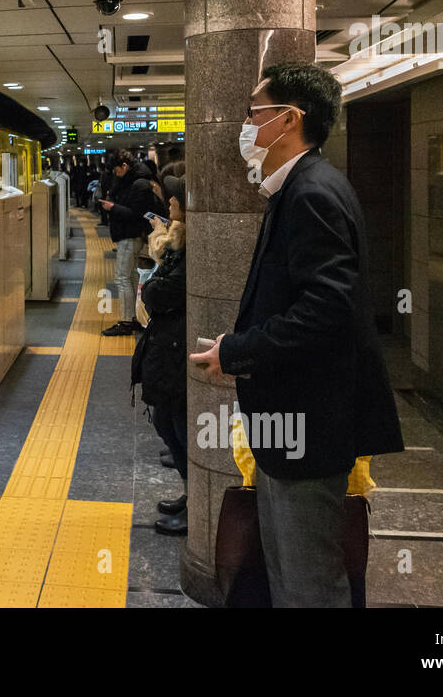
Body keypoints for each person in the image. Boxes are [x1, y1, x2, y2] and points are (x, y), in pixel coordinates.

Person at [189, 62, 403, 608]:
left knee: (308, 583)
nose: (246, 124)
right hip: (297, 423)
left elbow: (325, 310)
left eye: (252, 113)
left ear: (287, 120)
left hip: (311, 425)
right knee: (288, 572)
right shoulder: (303, 187)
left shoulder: (312, 194)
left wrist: (237, 352)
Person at [131, 210, 188, 535]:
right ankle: (189, 494)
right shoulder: (178, 246)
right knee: (168, 421)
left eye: (173, 203)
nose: (167, 210)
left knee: (177, 423)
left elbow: (157, 291)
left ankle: (196, 504)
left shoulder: (188, 251)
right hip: (168, 345)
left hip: (177, 347)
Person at [98, 151, 165, 336]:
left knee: (122, 278)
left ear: (125, 166)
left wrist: (113, 208)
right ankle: (135, 317)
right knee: (132, 277)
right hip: (131, 235)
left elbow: (136, 213)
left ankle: (127, 321)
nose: (115, 174)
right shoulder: (135, 180)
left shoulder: (138, 183)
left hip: (130, 235)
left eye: (116, 171)